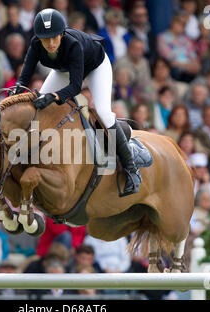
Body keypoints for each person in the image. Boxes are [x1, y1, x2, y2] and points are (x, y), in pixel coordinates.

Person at [12, 8, 141, 196]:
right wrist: (17, 89)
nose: (50, 43)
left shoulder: (72, 45)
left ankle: (131, 169)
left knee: (103, 113)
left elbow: (74, 87)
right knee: (36, 107)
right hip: (64, 70)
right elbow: (24, 78)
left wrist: (54, 96)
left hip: (96, 66)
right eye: (45, 38)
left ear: (62, 34)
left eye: (55, 37)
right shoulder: (36, 44)